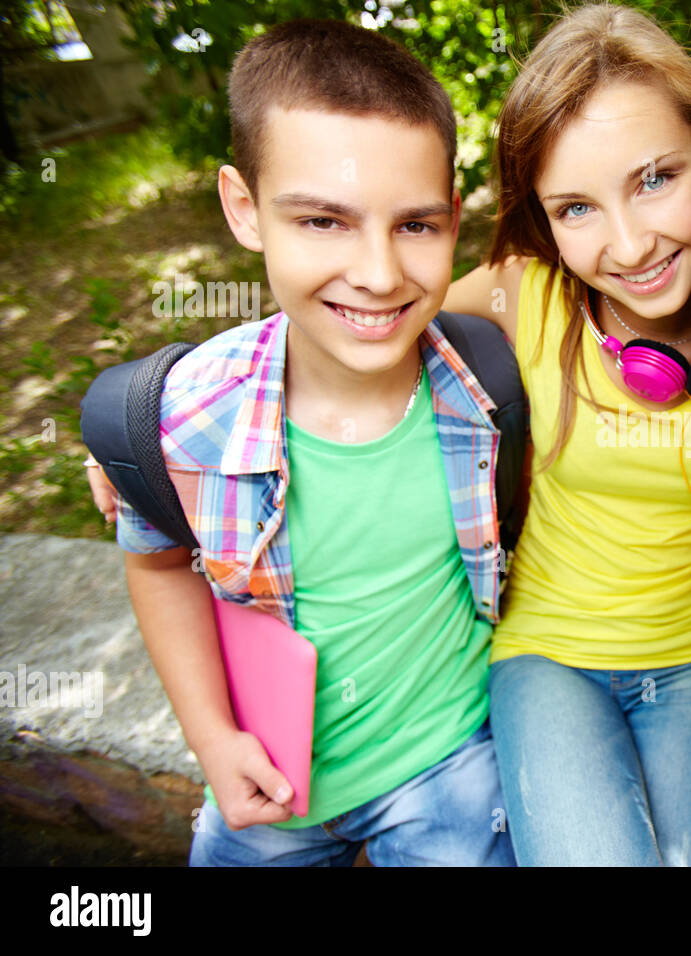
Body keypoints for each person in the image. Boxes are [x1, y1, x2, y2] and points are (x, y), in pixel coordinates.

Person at [90, 19, 514, 866]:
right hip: (266, 789)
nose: (380, 273)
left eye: (416, 225)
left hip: (450, 770)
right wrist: (210, 736)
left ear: (453, 222)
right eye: (324, 221)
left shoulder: (490, 379)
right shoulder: (179, 424)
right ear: (243, 209)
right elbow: (157, 564)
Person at [441, 3, 691, 865]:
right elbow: (360, 323)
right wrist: (157, 415)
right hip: (548, 655)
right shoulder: (525, 292)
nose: (629, 245)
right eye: (576, 208)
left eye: (657, 178)